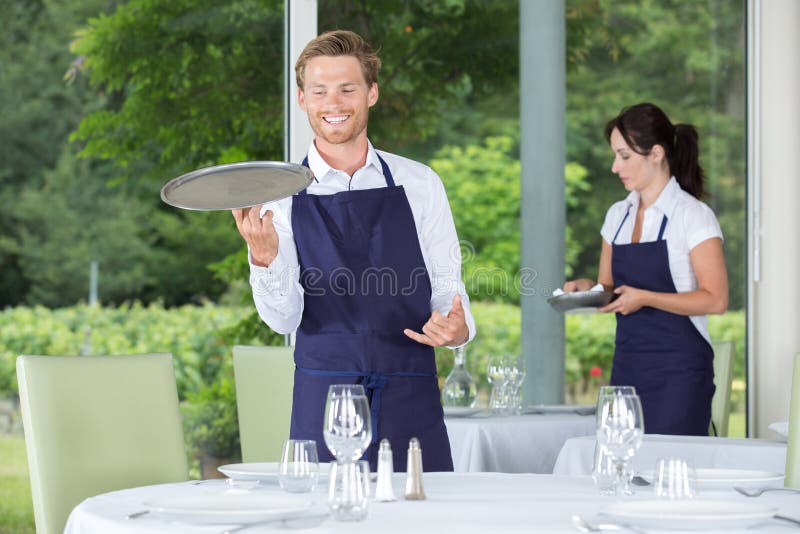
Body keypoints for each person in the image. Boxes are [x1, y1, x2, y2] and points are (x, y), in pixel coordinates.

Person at [232, 30, 475, 471]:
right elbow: (283, 319)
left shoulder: (420, 183)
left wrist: (458, 329)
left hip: (411, 393)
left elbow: (447, 288)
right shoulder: (278, 197)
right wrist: (264, 260)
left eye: (348, 89)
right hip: (324, 399)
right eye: (320, 91)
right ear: (303, 99)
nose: (334, 103)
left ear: (372, 94)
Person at [564, 102, 728, 436]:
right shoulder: (617, 215)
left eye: (624, 156)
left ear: (655, 153)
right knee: (622, 470)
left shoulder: (692, 216)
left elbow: (716, 299)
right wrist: (587, 289)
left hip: (680, 376)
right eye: (615, 155)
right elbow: (608, 287)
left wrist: (647, 298)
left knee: (671, 472)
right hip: (628, 368)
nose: (614, 167)